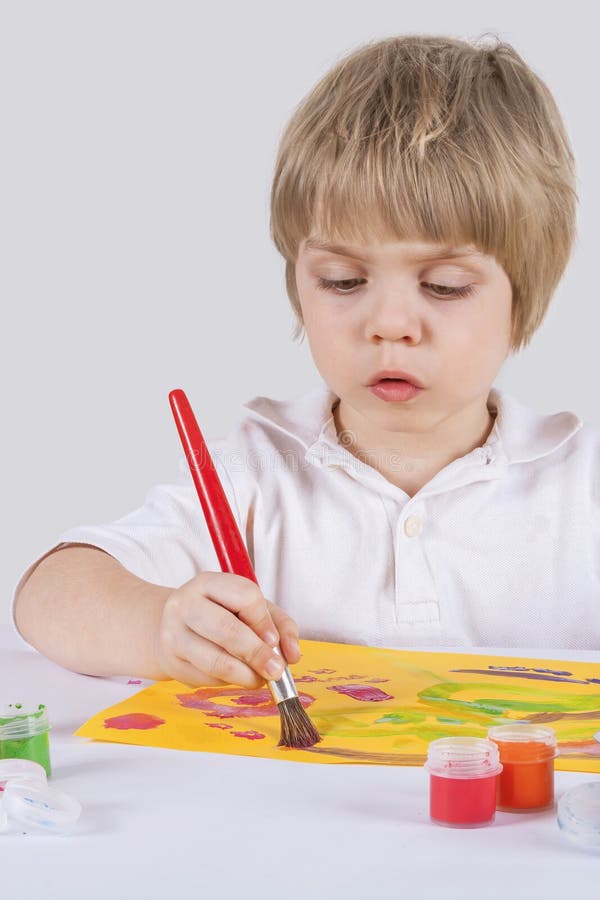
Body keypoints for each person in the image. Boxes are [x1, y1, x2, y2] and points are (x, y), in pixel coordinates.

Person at [13, 33, 600, 689]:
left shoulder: (582, 489)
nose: (389, 325)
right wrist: (158, 628)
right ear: (298, 283)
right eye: (343, 281)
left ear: (525, 294)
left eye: (444, 286)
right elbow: (48, 592)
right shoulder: (257, 474)